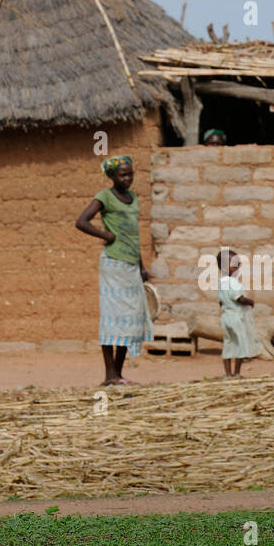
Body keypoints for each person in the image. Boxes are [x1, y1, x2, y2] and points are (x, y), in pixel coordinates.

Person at [74, 155, 152, 386]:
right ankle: (109, 375)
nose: (128, 178)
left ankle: (117, 374)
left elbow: (133, 234)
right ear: (111, 176)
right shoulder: (104, 196)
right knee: (112, 319)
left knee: (130, 320)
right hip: (114, 264)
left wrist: (142, 266)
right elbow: (81, 221)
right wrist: (105, 235)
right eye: (123, 174)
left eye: (130, 173)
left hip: (130, 265)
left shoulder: (133, 197)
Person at [217, 248, 258, 377]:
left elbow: (221, 301)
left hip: (225, 317)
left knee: (228, 343)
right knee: (241, 342)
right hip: (236, 317)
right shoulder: (233, 283)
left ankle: (228, 373)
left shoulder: (221, 282)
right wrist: (249, 301)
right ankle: (237, 373)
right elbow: (239, 298)